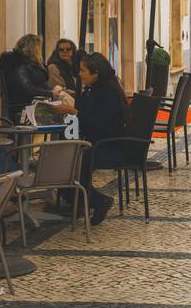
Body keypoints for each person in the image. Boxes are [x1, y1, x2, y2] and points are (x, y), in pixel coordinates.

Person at [74, 52, 131, 225]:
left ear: (95, 73)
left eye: (83, 70)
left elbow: (99, 123)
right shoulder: (96, 88)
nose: (80, 74)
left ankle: (99, 201)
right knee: (68, 160)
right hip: (99, 142)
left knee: (74, 164)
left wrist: (75, 113)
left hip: (110, 147)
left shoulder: (107, 92)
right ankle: (77, 202)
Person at [0, 34, 51, 119]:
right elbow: (28, 89)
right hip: (28, 105)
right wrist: (51, 93)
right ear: (35, 49)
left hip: (36, 101)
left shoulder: (31, 63)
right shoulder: (19, 65)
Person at [47, 38, 79, 112]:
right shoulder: (53, 67)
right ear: (57, 52)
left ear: (73, 51)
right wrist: (77, 94)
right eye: (61, 49)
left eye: (68, 49)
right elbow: (59, 89)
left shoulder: (76, 66)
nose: (65, 51)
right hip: (64, 104)